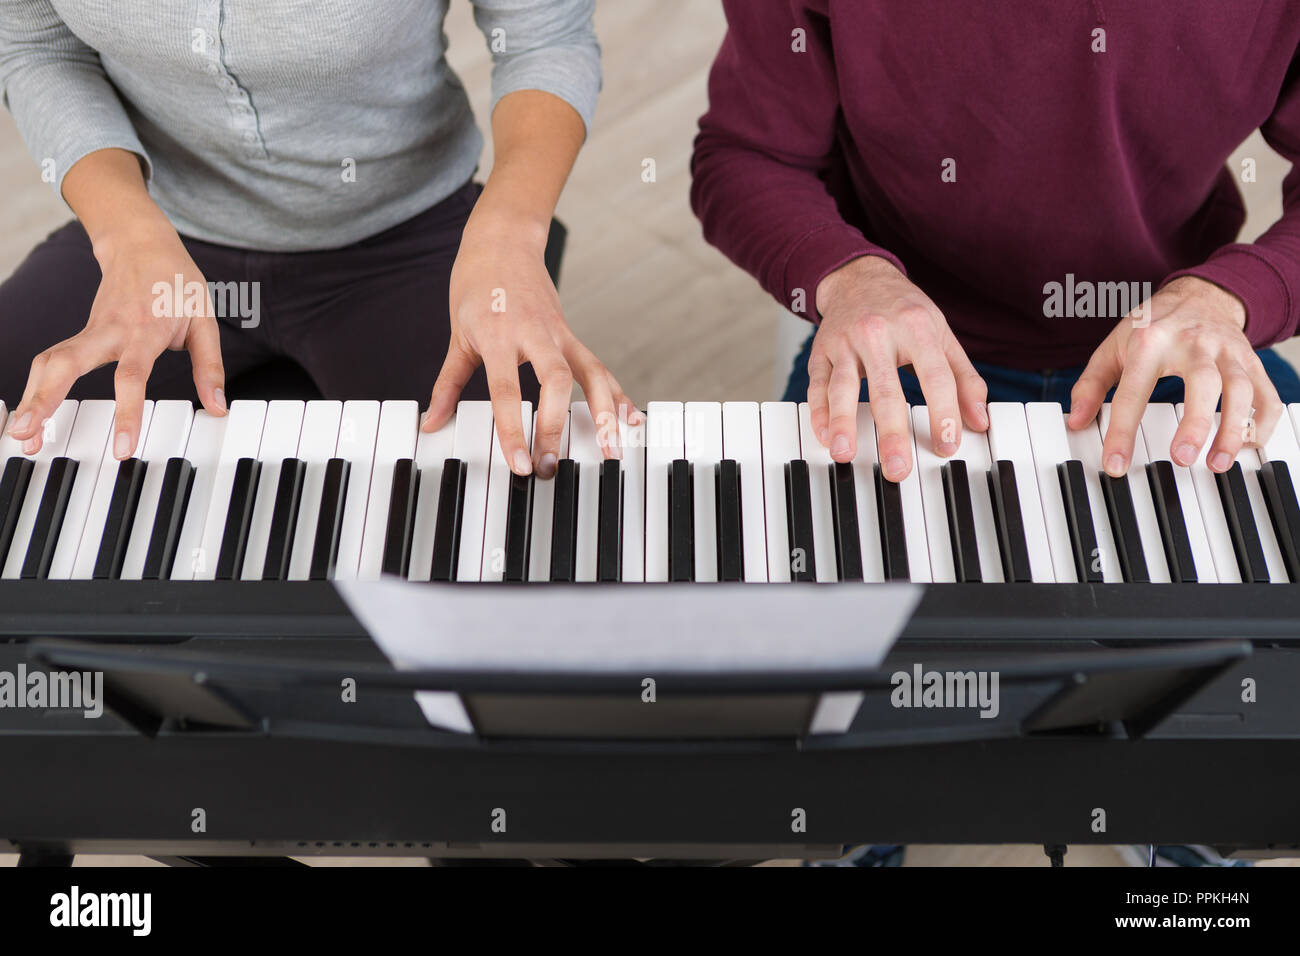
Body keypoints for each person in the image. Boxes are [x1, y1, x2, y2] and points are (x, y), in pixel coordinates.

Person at [0, 0, 631, 476]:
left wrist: (509, 233)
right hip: (159, 235)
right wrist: (125, 234)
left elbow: (543, 37)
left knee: (512, 492)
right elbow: (37, 45)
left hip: (403, 230)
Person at [691, 0, 1300, 482]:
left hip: (1177, 346)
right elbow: (748, 153)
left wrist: (1231, 298)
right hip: (904, 340)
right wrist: (851, 279)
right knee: (821, 620)